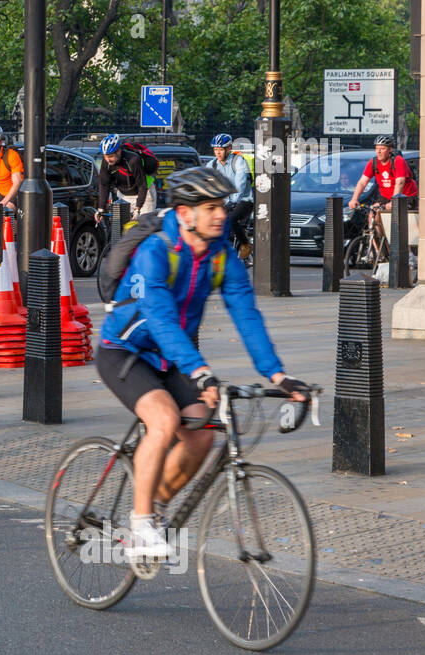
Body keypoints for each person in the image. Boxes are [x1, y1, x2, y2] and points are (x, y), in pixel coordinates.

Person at [97, 167, 308, 559]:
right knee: (163, 421)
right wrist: (200, 370)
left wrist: (278, 375)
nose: (221, 215)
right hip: (124, 350)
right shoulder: (156, 251)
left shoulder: (220, 255)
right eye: (210, 207)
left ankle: (152, 507)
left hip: (172, 355)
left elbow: (246, 315)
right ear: (183, 213)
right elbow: (159, 320)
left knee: (203, 432)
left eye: (223, 207)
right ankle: (141, 525)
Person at [347, 135, 417, 242]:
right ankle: (377, 249)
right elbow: (362, 182)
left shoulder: (398, 161)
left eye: (382, 148)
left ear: (390, 150)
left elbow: (400, 182)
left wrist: (394, 201)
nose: (378, 152)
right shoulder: (373, 162)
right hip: (386, 195)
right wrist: (354, 199)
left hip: (405, 195)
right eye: (377, 148)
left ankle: (408, 252)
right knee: (373, 214)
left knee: (400, 221)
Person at [209, 133, 252, 260]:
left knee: (231, 219)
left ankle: (245, 244)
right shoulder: (212, 165)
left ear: (229, 149)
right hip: (224, 201)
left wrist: (233, 201)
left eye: (221, 149)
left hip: (244, 200)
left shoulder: (238, 161)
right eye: (215, 150)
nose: (218, 153)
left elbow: (240, 184)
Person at [95, 133, 152, 224]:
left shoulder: (133, 160)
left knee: (144, 227)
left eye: (111, 156)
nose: (108, 160)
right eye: (105, 156)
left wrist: (138, 208)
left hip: (145, 194)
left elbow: (142, 186)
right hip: (124, 196)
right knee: (121, 228)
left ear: (119, 151)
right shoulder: (106, 163)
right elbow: (104, 185)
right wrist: (101, 208)